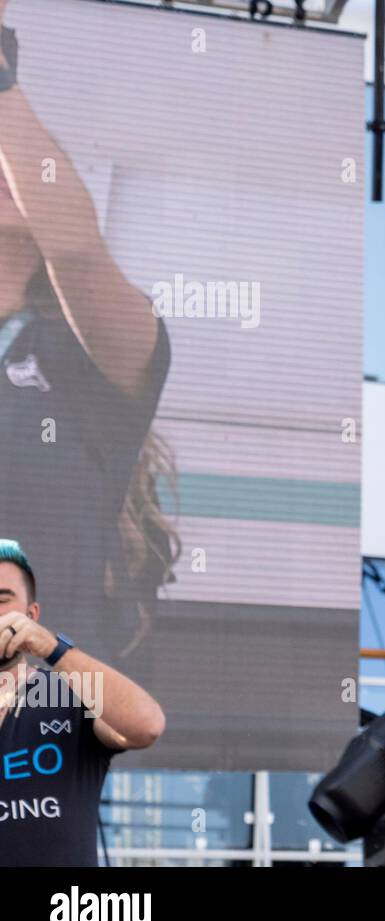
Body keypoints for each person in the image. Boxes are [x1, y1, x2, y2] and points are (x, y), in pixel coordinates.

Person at [0, 3, 177, 664]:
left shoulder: (81, 352)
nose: (11, 169)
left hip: (35, 708)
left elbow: (74, 250)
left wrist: (1, 80)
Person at [0, 539, 165, 866]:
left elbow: (147, 725)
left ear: (31, 615)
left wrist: (52, 647)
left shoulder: (69, 693)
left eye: (2, 600)